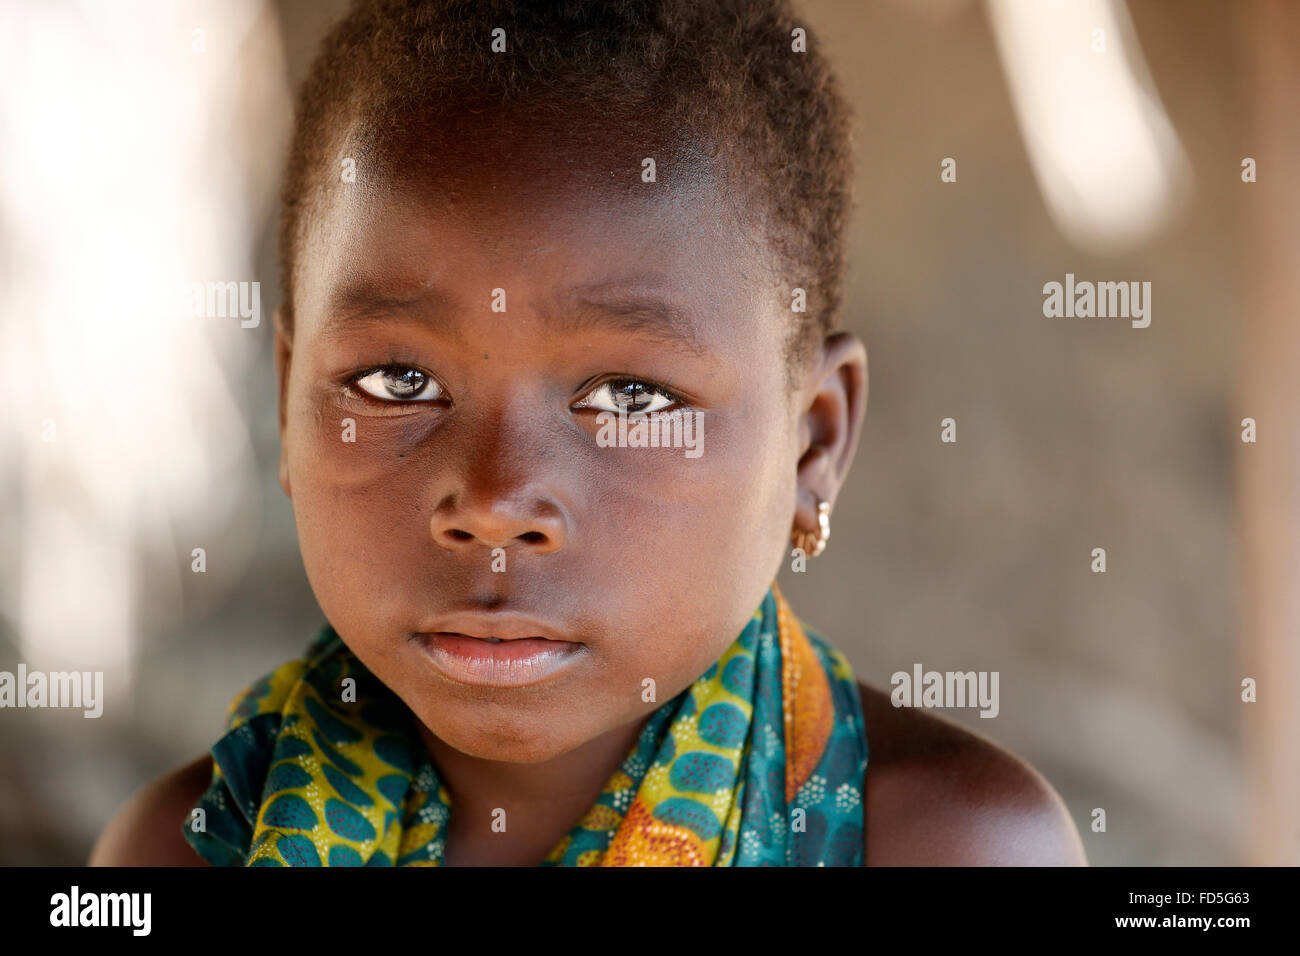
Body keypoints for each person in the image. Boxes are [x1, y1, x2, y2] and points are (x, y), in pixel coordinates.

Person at [91, 0, 1086, 866]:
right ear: (287, 399)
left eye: (632, 398)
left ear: (813, 441)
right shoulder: (190, 844)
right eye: (397, 381)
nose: (493, 501)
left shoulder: (940, 844)